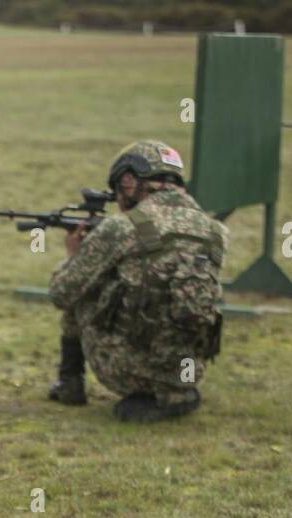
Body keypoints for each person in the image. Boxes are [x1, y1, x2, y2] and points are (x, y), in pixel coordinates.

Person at [48, 141, 227, 423]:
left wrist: (75, 255)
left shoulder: (122, 227)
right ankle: (176, 391)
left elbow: (61, 292)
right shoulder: (214, 230)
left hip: (130, 372)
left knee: (85, 289)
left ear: (130, 181)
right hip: (188, 370)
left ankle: (70, 385)